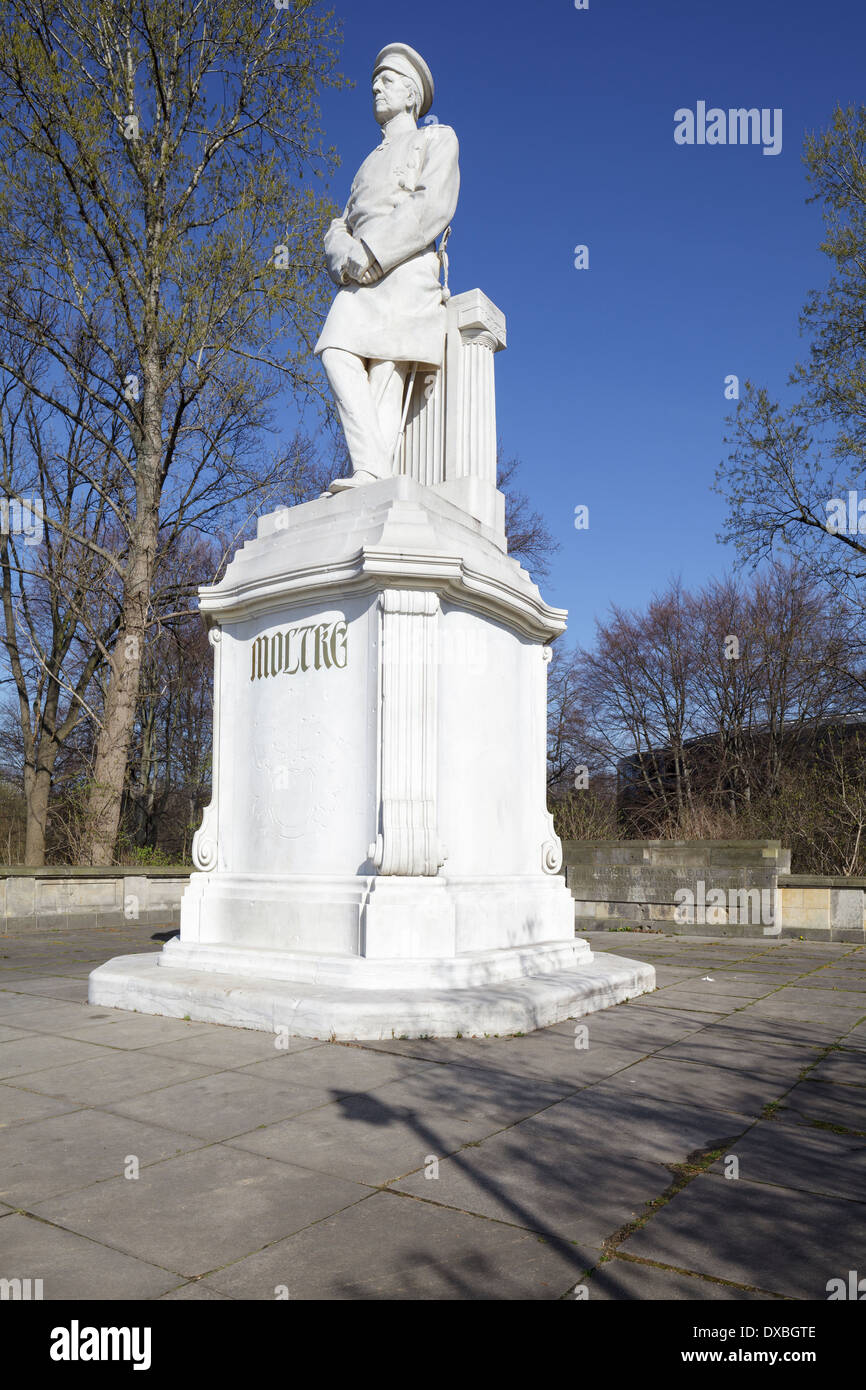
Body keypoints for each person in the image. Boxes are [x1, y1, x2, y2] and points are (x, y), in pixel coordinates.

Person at [315, 42, 460, 491]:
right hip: (361, 279)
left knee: (384, 369)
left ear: (412, 95)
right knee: (336, 350)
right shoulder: (365, 165)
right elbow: (339, 224)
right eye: (376, 78)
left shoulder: (437, 138)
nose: (376, 85)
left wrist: (374, 253)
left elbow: (431, 206)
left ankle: (371, 474)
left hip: (405, 272)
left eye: (389, 79)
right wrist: (347, 256)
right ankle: (376, 471)